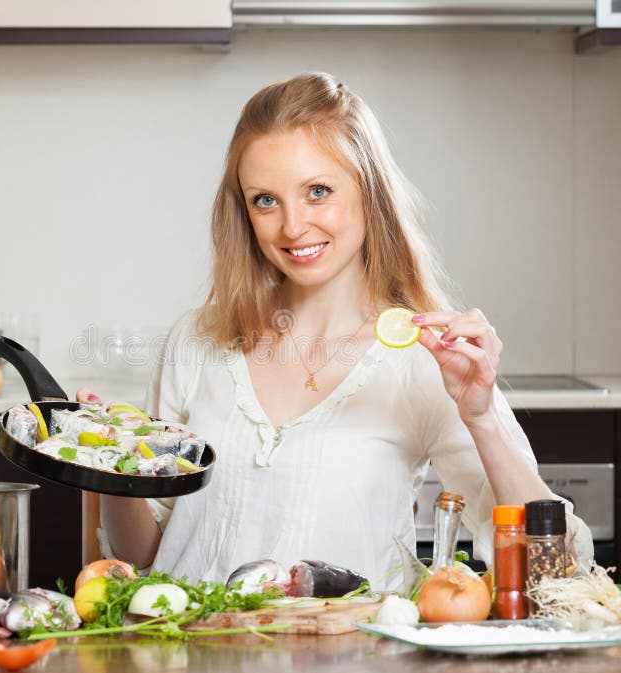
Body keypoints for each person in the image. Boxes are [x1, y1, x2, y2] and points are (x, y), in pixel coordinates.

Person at [78, 72, 593, 589]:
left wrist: (480, 418)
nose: (293, 226)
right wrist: (106, 460)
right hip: (186, 657)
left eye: (317, 192)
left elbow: (559, 570)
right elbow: (142, 556)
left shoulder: (423, 357)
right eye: (265, 200)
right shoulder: (197, 339)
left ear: (370, 192)